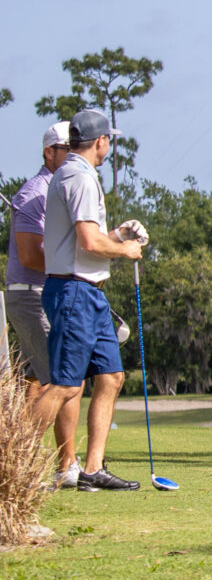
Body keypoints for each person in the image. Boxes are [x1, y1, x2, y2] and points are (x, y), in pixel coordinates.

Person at [29, 109, 147, 492]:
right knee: (65, 384)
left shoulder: (75, 174)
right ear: (101, 142)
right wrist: (126, 250)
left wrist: (119, 234)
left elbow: (87, 239)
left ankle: (93, 469)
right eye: (108, 139)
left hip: (88, 292)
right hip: (74, 292)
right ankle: (13, 455)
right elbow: (89, 242)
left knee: (111, 377)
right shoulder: (79, 177)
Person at [6, 122, 87, 488]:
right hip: (32, 294)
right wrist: (75, 267)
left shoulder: (59, 191)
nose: (72, 154)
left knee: (36, 384)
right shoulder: (34, 193)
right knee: (65, 380)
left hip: (44, 293)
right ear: (48, 152)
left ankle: (23, 462)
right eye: (65, 148)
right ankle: (62, 465)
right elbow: (28, 255)